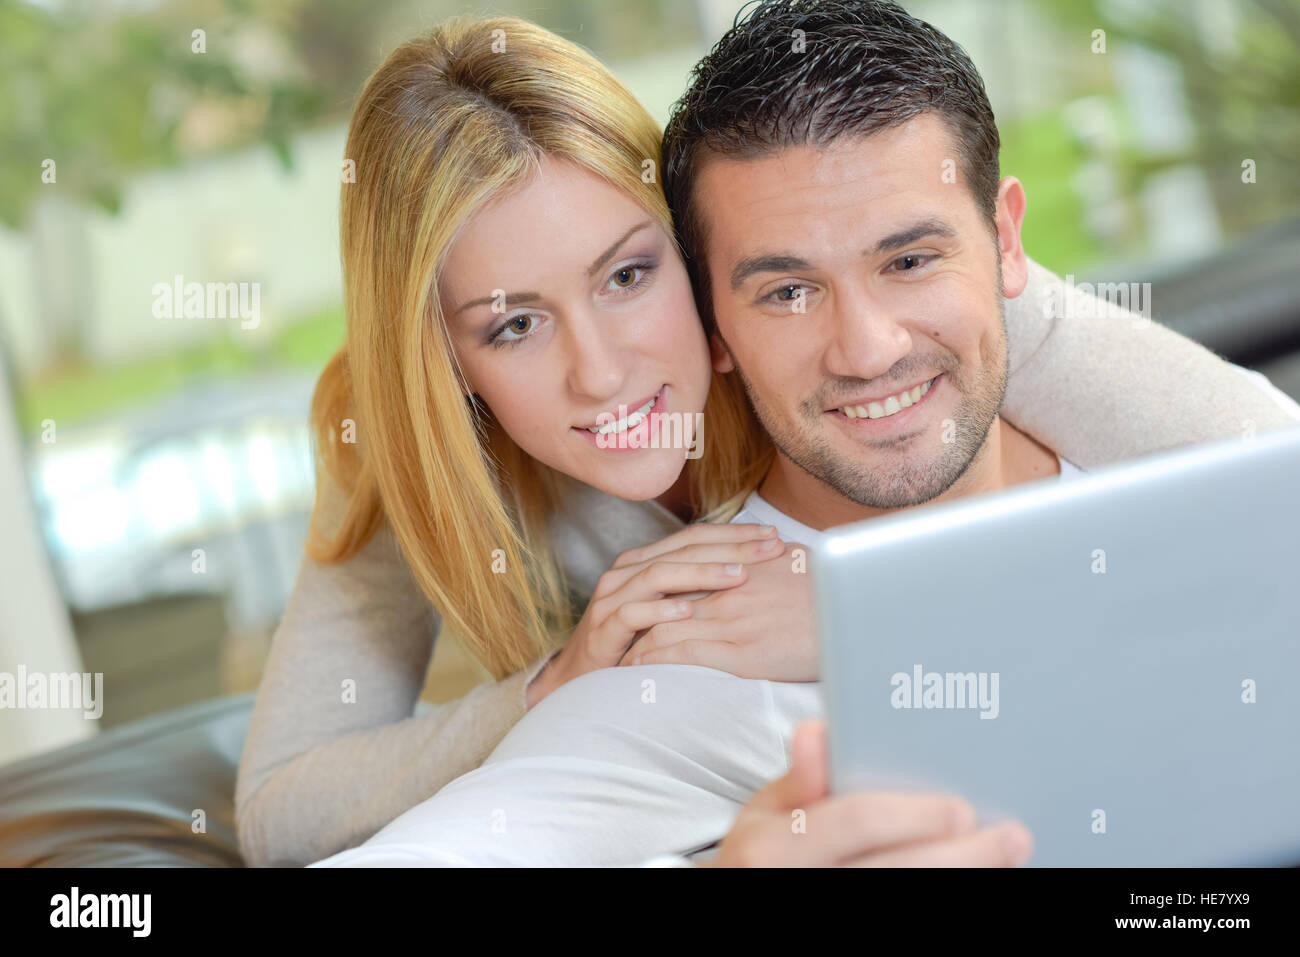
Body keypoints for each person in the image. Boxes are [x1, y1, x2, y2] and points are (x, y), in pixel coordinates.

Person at [236, 8, 1300, 868]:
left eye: (628, 274)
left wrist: (871, 610)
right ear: (445, 360)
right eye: (513, 325)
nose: (602, 371)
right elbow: (285, 808)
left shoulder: (944, 296)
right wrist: (550, 686)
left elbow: (1272, 490)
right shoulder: (415, 445)